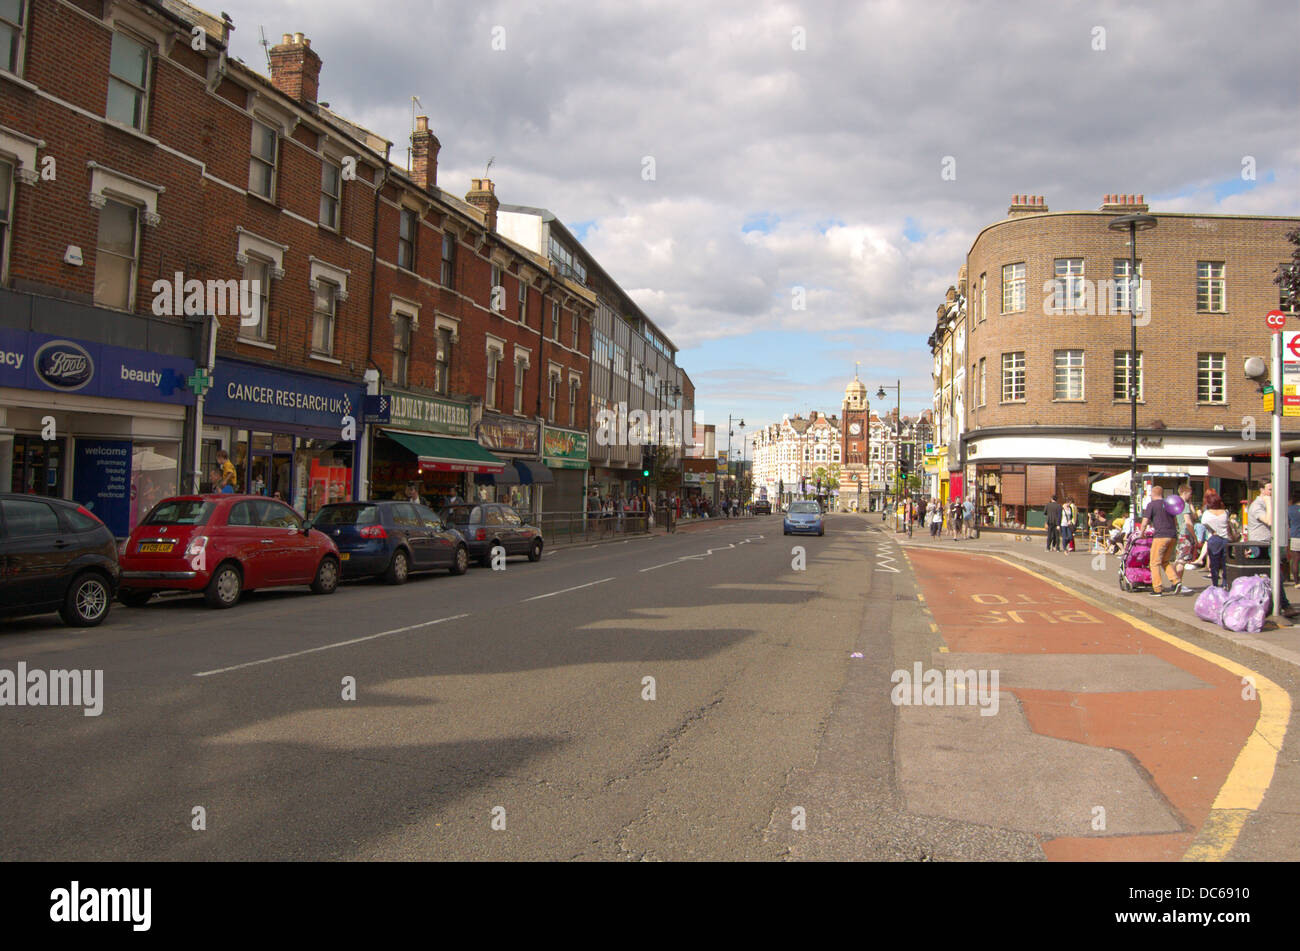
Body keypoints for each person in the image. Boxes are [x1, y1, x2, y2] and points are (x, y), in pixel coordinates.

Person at [1140, 485, 1183, 596]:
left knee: (1154, 563)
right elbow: (1175, 521)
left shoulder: (1152, 505)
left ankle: (1157, 588)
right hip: (1172, 536)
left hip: (1160, 536)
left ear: (1153, 494)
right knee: (1165, 561)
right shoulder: (1168, 504)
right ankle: (1176, 581)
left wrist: (1141, 533)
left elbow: (1145, 521)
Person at [1199, 490, 1234, 590]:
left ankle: (1214, 584)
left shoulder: (1206, 513)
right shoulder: (1225, 512)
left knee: (1214, 564)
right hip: (1226, 540)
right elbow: (1227, 525)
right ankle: (1225, 583)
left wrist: (1212, 530)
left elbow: (1203, 523)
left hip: (1214, 540)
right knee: (1225, 563)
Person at [1289, 490, 1300, 584]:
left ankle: (1297, 582)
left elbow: (1287, 523)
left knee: (1295, 559)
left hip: (1295, 536)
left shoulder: (1290, 509)